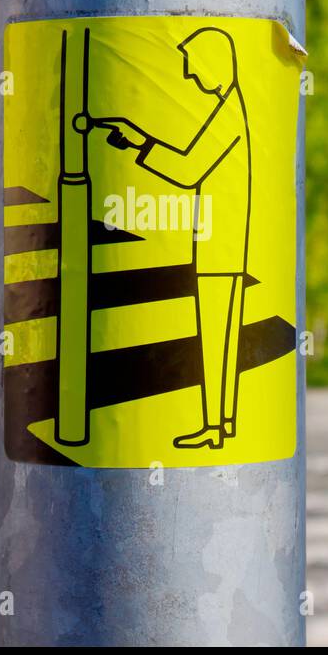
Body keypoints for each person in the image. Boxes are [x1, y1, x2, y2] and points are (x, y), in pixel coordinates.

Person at [95, 27, 250, 449]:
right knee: (220, 337)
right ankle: (223, 424)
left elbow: (187, 170)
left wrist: (135, 142)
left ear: (214, 63)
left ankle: (216, 427)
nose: (192, 79)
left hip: (222, 250)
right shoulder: (229, 108)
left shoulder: (229, 113)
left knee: (216, 336)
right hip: (223, 245)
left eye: (195, 69)